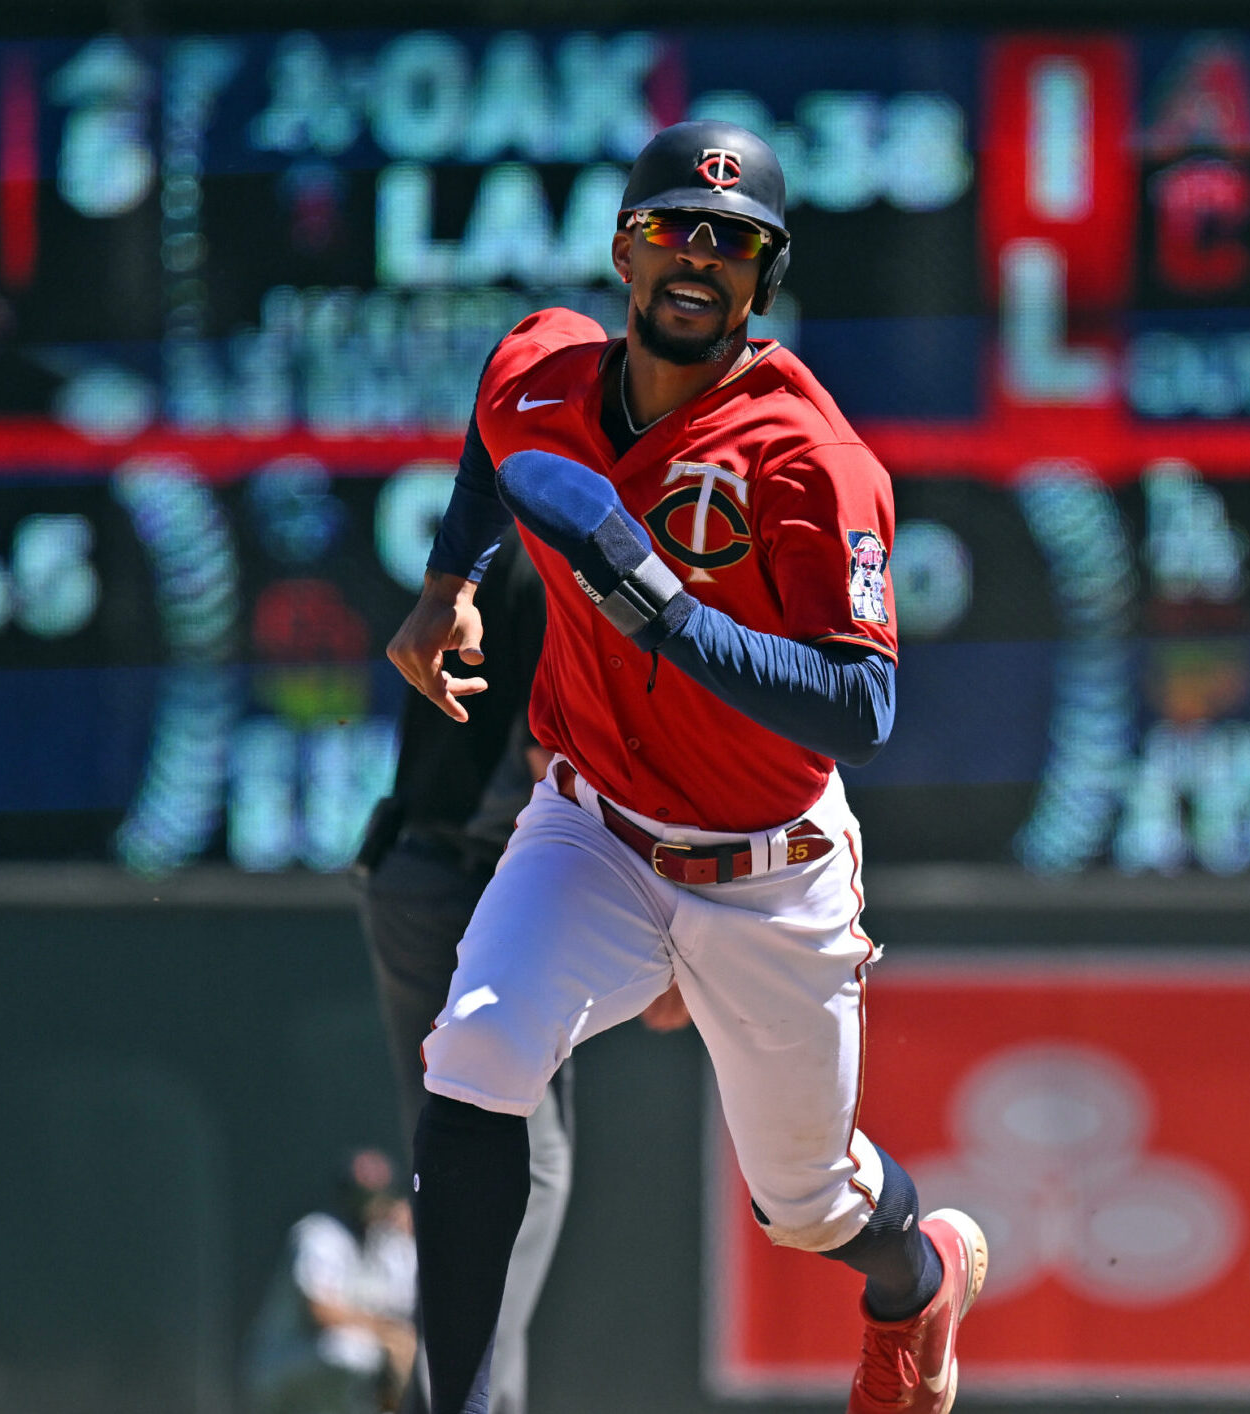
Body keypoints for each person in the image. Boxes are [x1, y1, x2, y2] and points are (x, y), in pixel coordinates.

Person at [383, 118, 984, 1414]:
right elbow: (505, 443)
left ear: (765, 279)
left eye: (735, 240)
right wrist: (450, 584)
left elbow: (863, 706)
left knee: (811, 1205)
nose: (699, 256)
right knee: (473, 1059)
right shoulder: (545, 366)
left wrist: (661, 607)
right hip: (591, 825)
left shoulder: (809, 461)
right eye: (673, 228)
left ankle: (919, 1277)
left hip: (765, 867)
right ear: (624, 248)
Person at [360, 531, 698, 1414]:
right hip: (480, 883)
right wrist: (672, 929)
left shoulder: (495, 547)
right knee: (515, 1166)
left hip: (411, 875)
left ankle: (462, 1397)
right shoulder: (573, 558)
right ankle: (463, 1401)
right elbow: (561, 758)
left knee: (463, 1161)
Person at [243, 1149, 419, 1414]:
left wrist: (413, 1237)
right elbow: (321, 1311)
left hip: (344, 1376)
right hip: (287, 1364)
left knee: (402, 1349)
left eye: (378, 1197)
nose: (370, 1205)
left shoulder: (392, 1244)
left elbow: (410, 1314)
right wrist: (386, 1333)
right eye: (362, 1196)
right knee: (350, 1351)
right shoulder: (320, 1234)